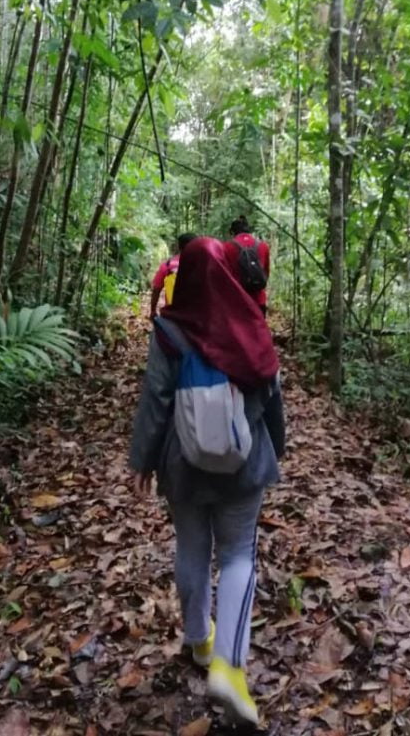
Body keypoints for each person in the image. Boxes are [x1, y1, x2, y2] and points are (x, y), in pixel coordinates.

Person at [130, 237, 285, 726]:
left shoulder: (169, 331)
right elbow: (270, 388)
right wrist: (276, 447)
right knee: (238, 554)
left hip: (184, 463)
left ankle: (199, 640)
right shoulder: (248, 320)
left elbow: (156, 399)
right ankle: (229, 666)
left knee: (192, 548)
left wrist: (142, 460)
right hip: (243, 463)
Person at [224, 215, 271, 316]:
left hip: (237, 301)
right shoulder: (263, 246)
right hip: (259, 300)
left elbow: (225, 276)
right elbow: (266, 273)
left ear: (232, 232)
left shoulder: (226, 247)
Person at [149, 232, 197, 319]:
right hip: (196, 315)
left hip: (172, 314)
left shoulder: (167, 265)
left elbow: (156, 290)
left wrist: (153, 311)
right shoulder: (203, 264)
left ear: (179, 247)